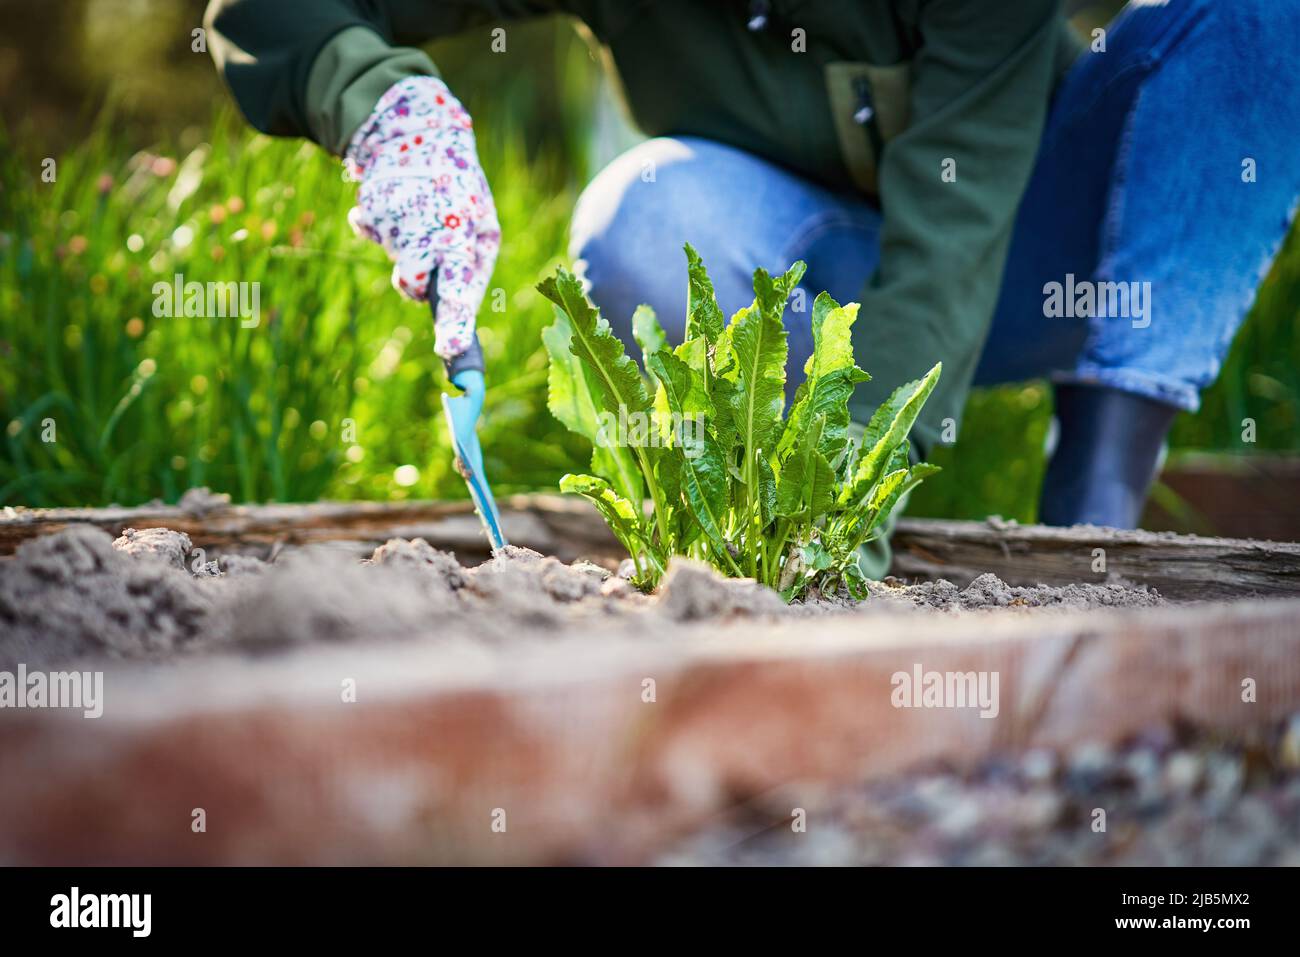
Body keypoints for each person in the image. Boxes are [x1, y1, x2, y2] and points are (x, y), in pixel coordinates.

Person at [205, 0, 1300, 551]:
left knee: (1257, 19)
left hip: (1053, 256)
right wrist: (381, 106)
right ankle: (742, 510)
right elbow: (261, 9)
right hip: (819, 275)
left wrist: (852, 493)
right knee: (642, 216)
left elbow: (951, 233)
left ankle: (1094, 516)